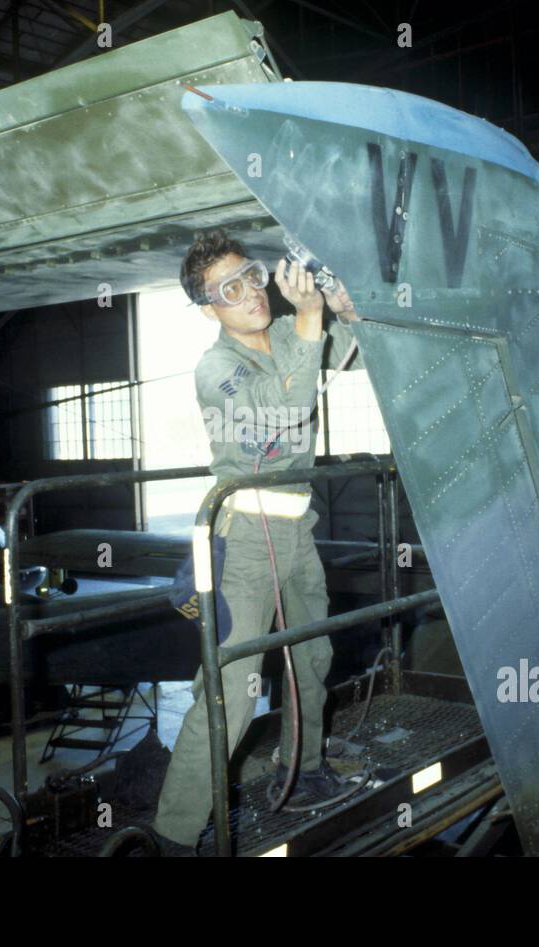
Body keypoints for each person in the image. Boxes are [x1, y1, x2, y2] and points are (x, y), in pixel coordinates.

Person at [152, 228, 363, 849]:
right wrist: (311, 317)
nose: (250, 292)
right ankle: (174, 833)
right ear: (208, 308)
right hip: (244, 539)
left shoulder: (282, 333)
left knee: (312, 658)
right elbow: (286, 408)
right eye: (229, 289)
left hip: (298, 529)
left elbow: (354, 351)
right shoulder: (214, 368)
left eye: (250, 275)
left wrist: (344, 310)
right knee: (233, 688)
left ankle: (303, 768)